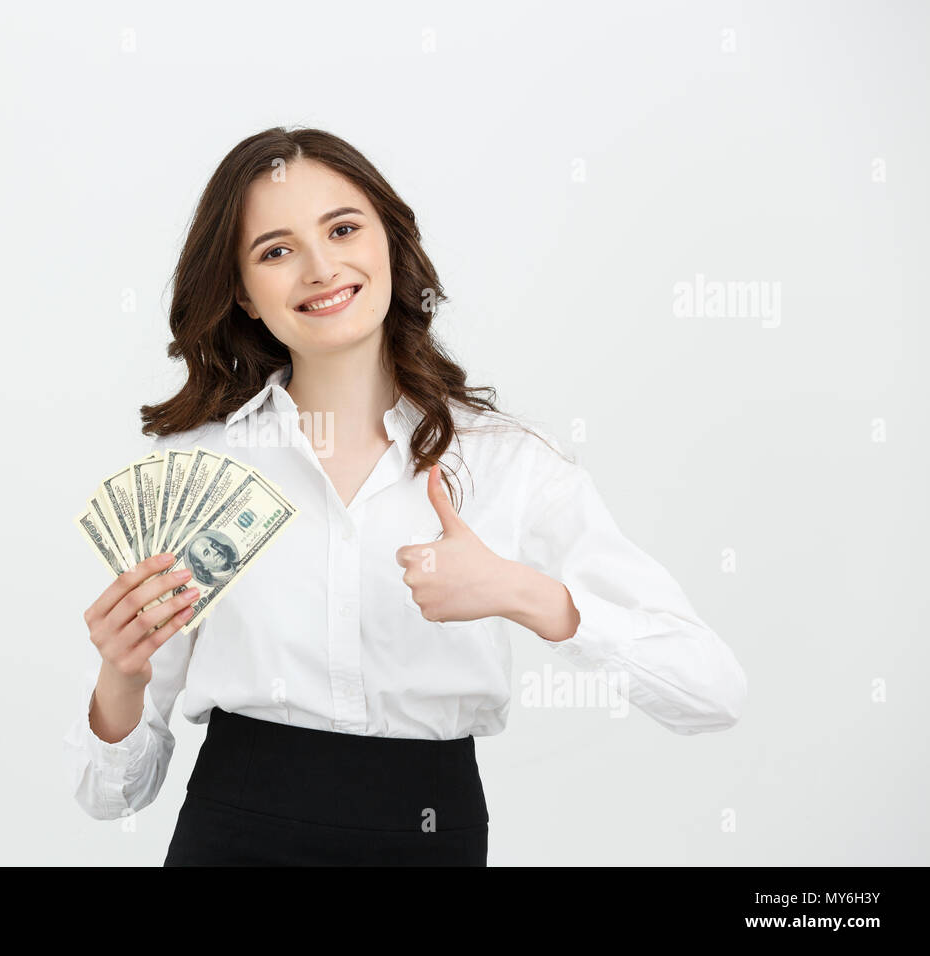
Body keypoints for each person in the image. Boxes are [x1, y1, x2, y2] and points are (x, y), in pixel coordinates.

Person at [63, 126, 748, 866]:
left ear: (390, 242)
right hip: (231, 837)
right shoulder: (197, 468)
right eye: (276, 251)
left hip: (429, 837)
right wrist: (121, 679)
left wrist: (520, 593)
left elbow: (711, 692)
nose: (321, 269)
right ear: (244, 295)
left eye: (344, 229)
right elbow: (111, 798)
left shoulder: (508, 462)